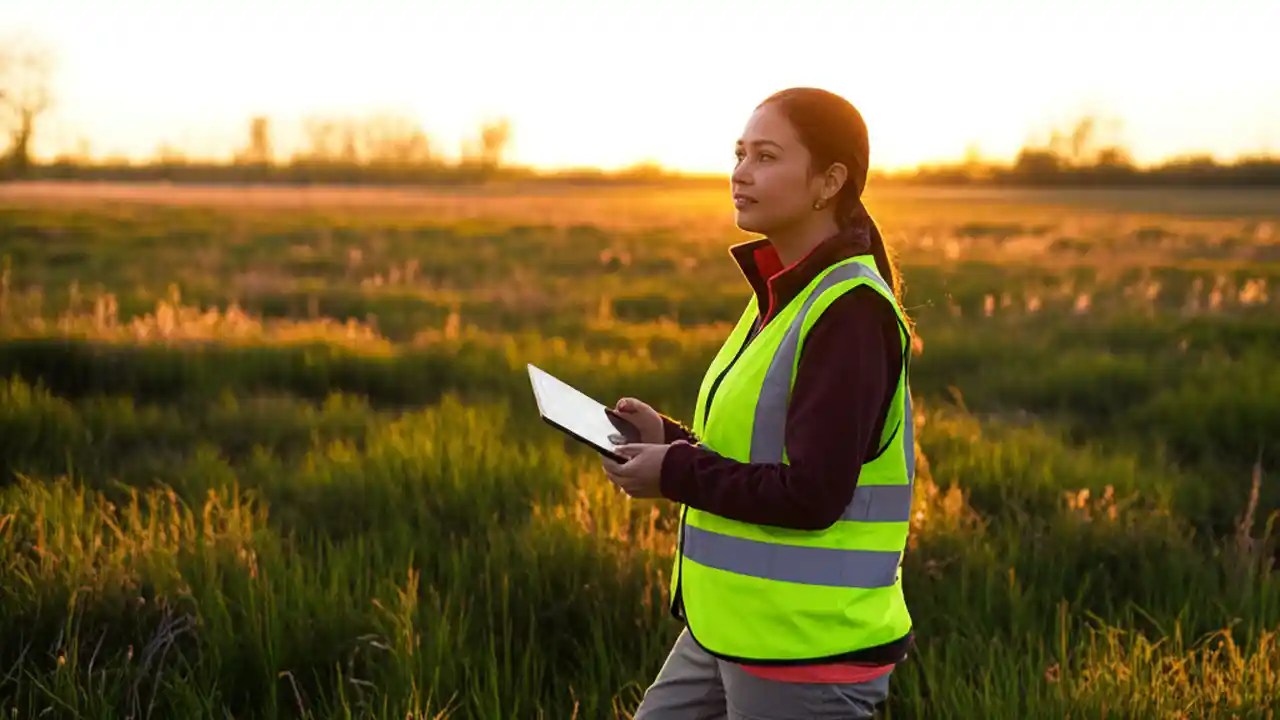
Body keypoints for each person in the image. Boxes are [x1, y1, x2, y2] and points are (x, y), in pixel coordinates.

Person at [601, 87, 916, 720]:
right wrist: (669, 438)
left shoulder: (848, 311)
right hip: (730, 630)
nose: (740, 173)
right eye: (739, 153)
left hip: (805, 649)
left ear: (829, 180)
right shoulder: (784, 292)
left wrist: (672, 472)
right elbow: (761, 446)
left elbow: (813, 494)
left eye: (766, 156)